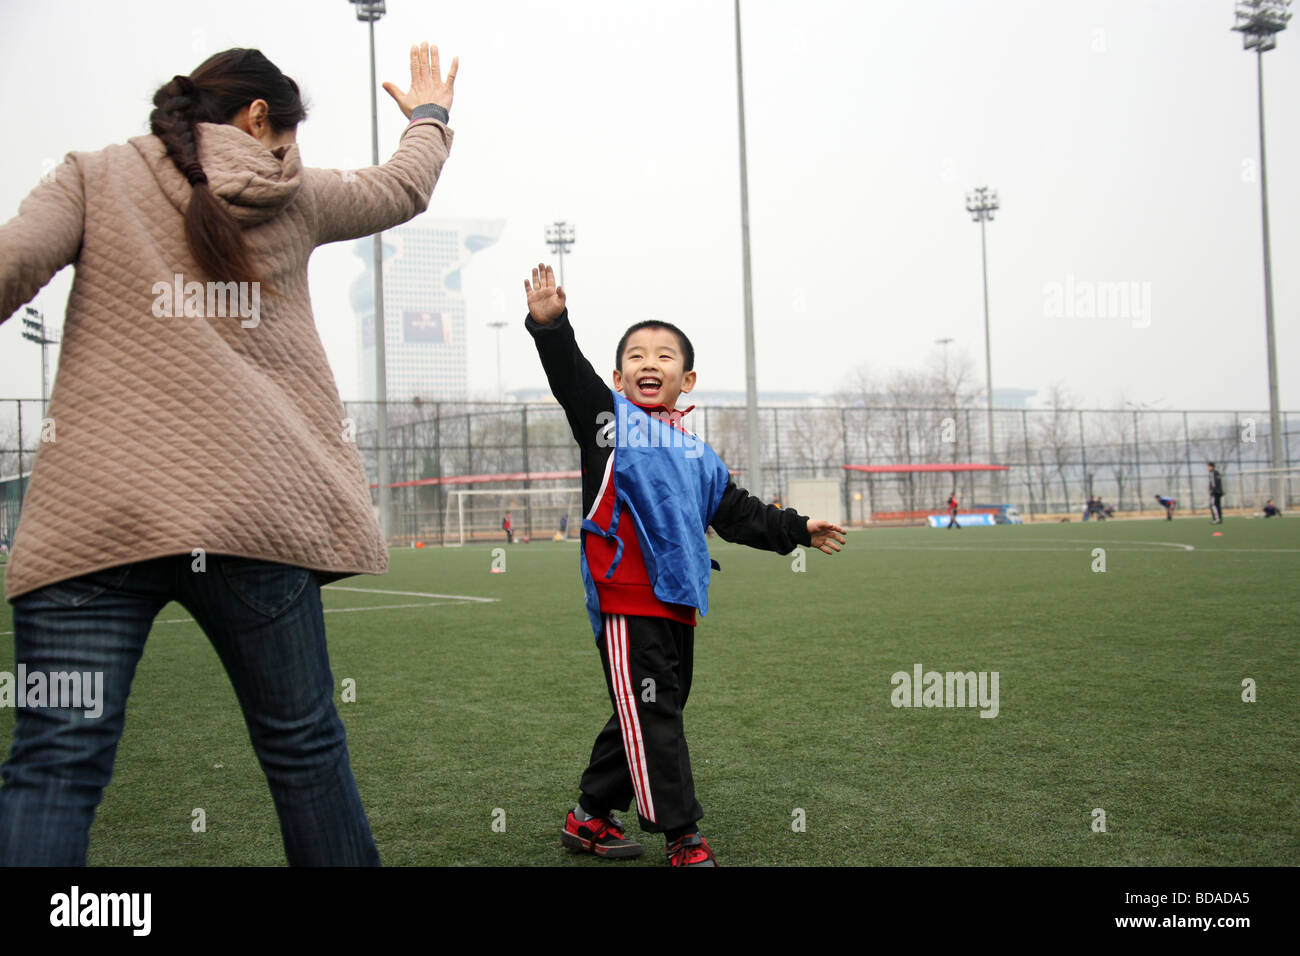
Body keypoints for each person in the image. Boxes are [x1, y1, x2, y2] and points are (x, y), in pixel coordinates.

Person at [0, 44, 458, 866]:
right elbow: (402, 188)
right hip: (255, 517)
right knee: (305, 754)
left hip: (93, 519)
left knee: (54, 770)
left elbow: (7, 268)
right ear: (257, 118)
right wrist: (428, 116)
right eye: (287, 130)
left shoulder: (92, 175)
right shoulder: (298, 195)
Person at [523, 263, 845, 867]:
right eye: (637, 355)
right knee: (655, 711)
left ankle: (588, 817)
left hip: (680, 599)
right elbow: (571, 378)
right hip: (627, 595)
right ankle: (683, 838)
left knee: (650, 708)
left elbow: (738, 512)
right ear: (618, 376)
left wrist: (798, 527)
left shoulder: (700, 454)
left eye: (665, 355)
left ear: (687, 377)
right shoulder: (607, 423)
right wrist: (550, 325)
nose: (651, 362)